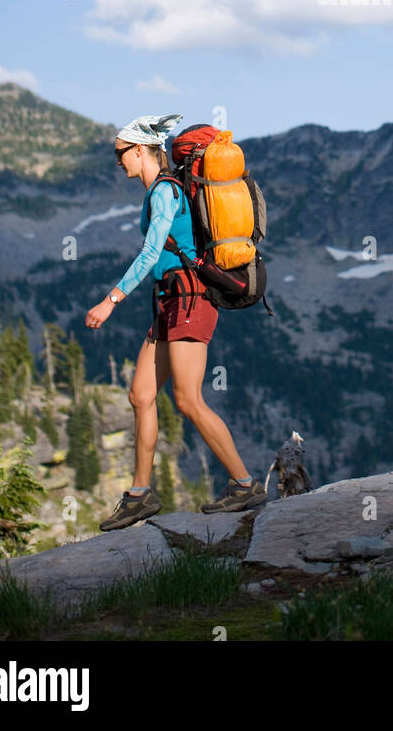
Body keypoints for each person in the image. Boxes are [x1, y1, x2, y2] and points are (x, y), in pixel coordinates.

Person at [85, 113, 267, 528]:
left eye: (120, 154)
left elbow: (151, 253)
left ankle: (244, 484)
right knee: (141, 395)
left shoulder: (165, 191)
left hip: (190, 301)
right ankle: (139, 495)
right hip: (169, 301)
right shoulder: (159, 191)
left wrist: (109, 301)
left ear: (139, 150)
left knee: (187, 400)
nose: (118, 164)